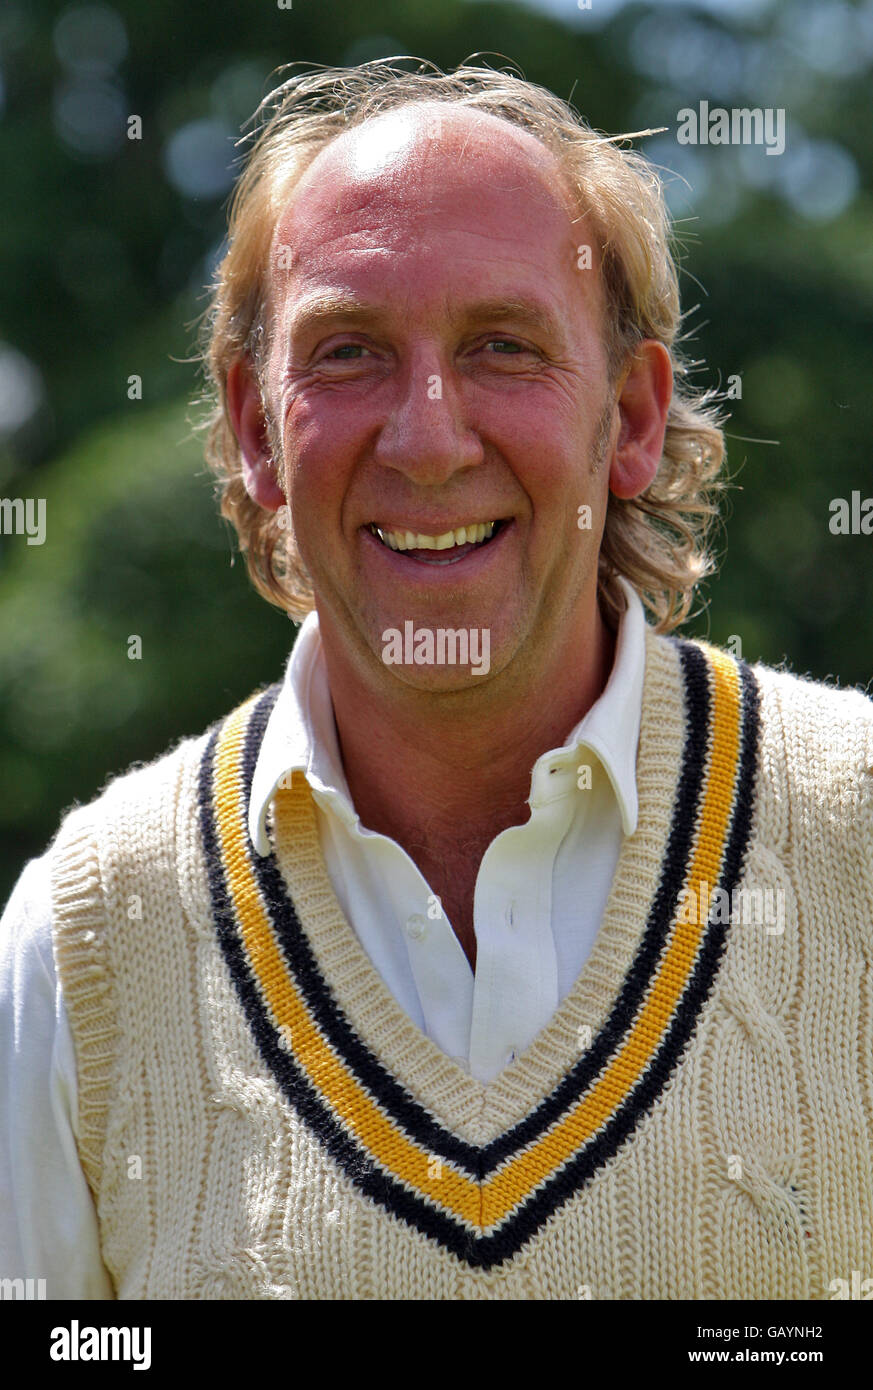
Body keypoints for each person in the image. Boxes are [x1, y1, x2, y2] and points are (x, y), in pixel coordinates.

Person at [1, 59, 871, 1301]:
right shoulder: (83, 940)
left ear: (629, 418)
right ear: (257, 429)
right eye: (348, 352)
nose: (426, 437)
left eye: (503, 348)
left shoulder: (860, 839)